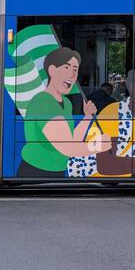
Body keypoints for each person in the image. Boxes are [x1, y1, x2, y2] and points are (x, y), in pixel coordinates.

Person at [20, 47, 112, 178]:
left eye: (75, 69)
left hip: (56, 171)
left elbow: (72, 140)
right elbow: (67, 148)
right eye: (67, 68)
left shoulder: (65, 103)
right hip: (36, 170)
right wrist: (97, 146)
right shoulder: (43, 101)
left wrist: (87, 117)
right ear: (52, 70)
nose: (72, 74)